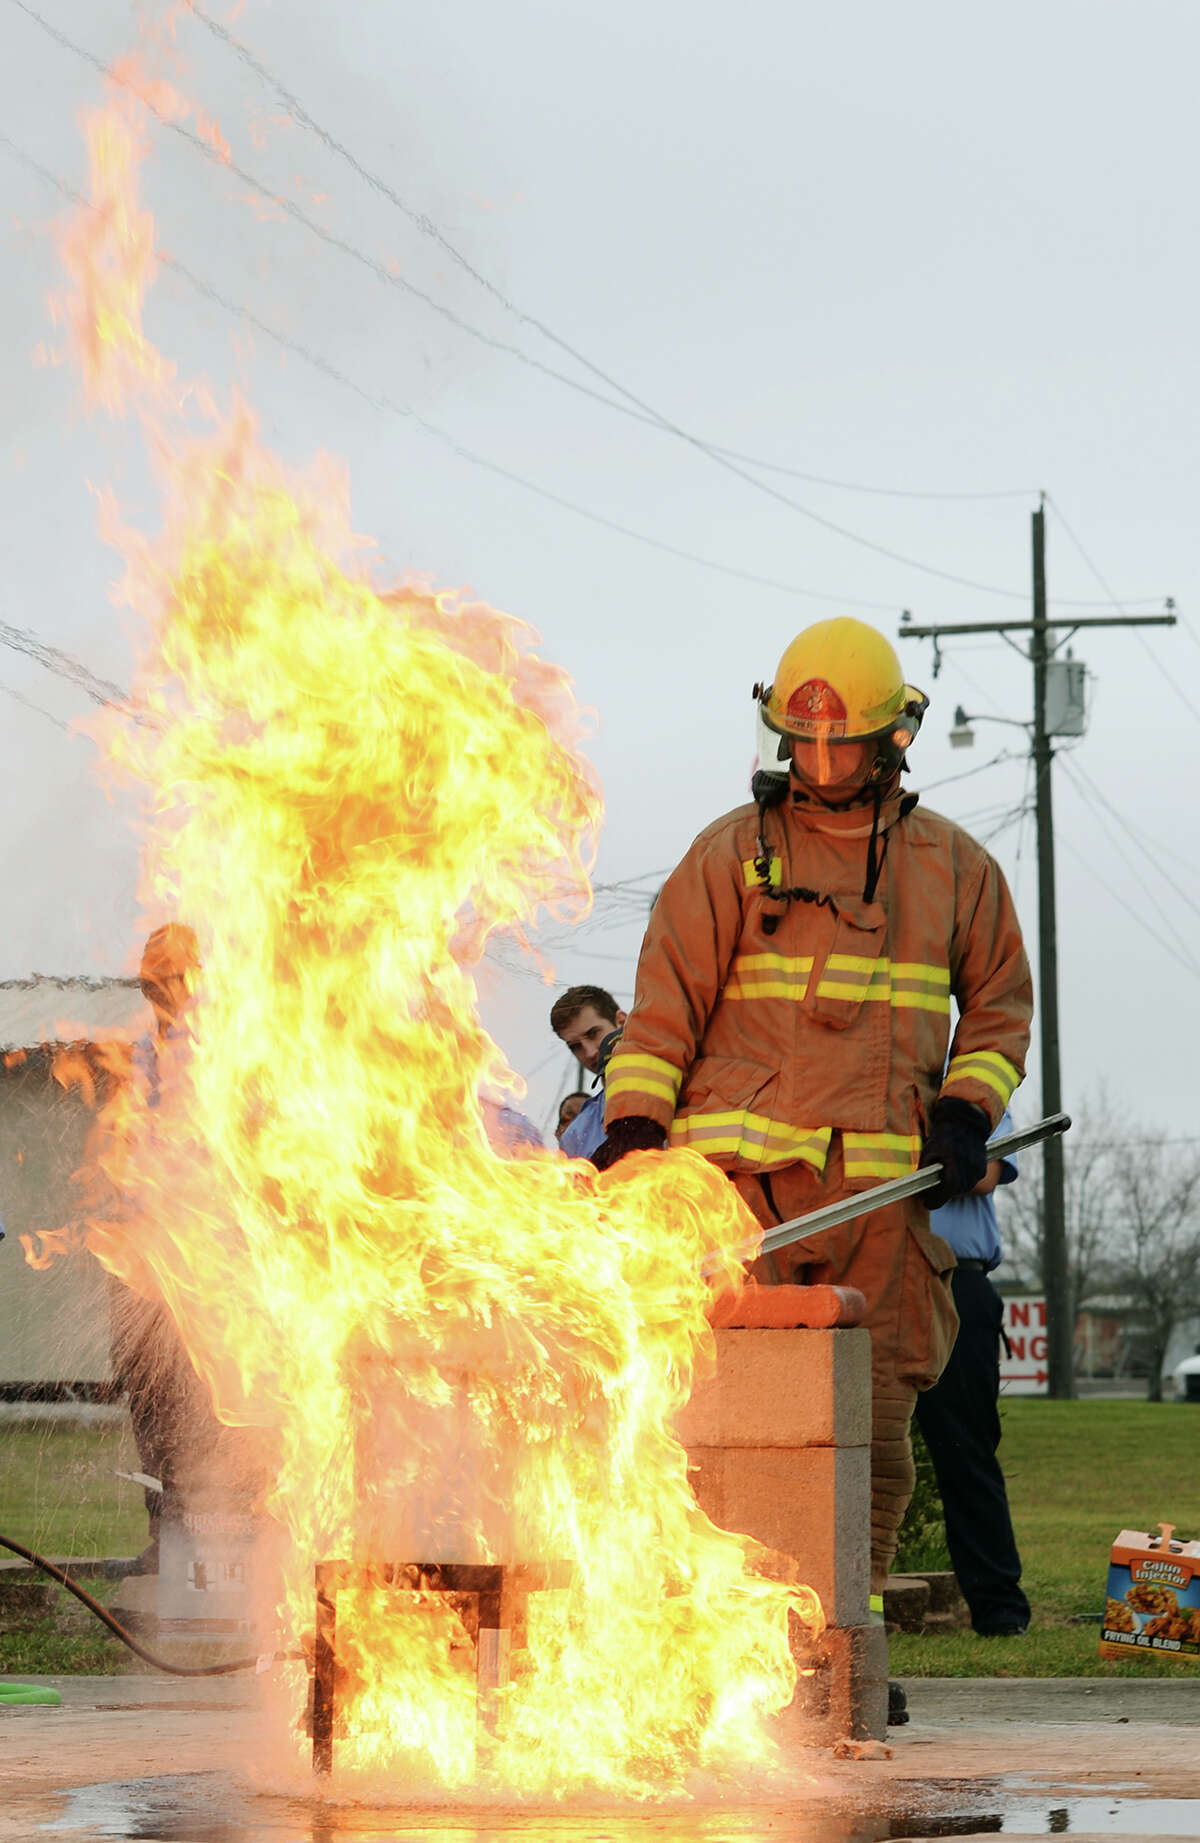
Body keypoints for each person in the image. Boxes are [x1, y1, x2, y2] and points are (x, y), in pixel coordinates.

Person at [598, 617, 1033, 1713]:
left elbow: (999, 1013)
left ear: (897, 739)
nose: (825, 766)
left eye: (847, 747)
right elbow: (659, 1017)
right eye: (807, 743)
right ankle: (709, 1664)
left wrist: (966, 1112)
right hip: (734, 1210)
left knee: (869, 1445)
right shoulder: (725, 856)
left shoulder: (955, 873)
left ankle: (837, 1658)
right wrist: (637, 1134)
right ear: (782, 734)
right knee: (719, 1438)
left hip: (883, 1215)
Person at [915, 1107, 1031, 1637]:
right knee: (857, 1455)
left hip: (954, 1283)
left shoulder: (972, 1093)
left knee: (967, 1452)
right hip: (873, 1280)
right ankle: (849, 1608)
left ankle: (998, 1610)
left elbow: (981, 1175)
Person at [549, 985, 626, 1162]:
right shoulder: (575, 1136)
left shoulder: (676, 1088)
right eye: (575, 1046)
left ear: (621, 1021)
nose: (590, 1052)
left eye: (593, 1034)